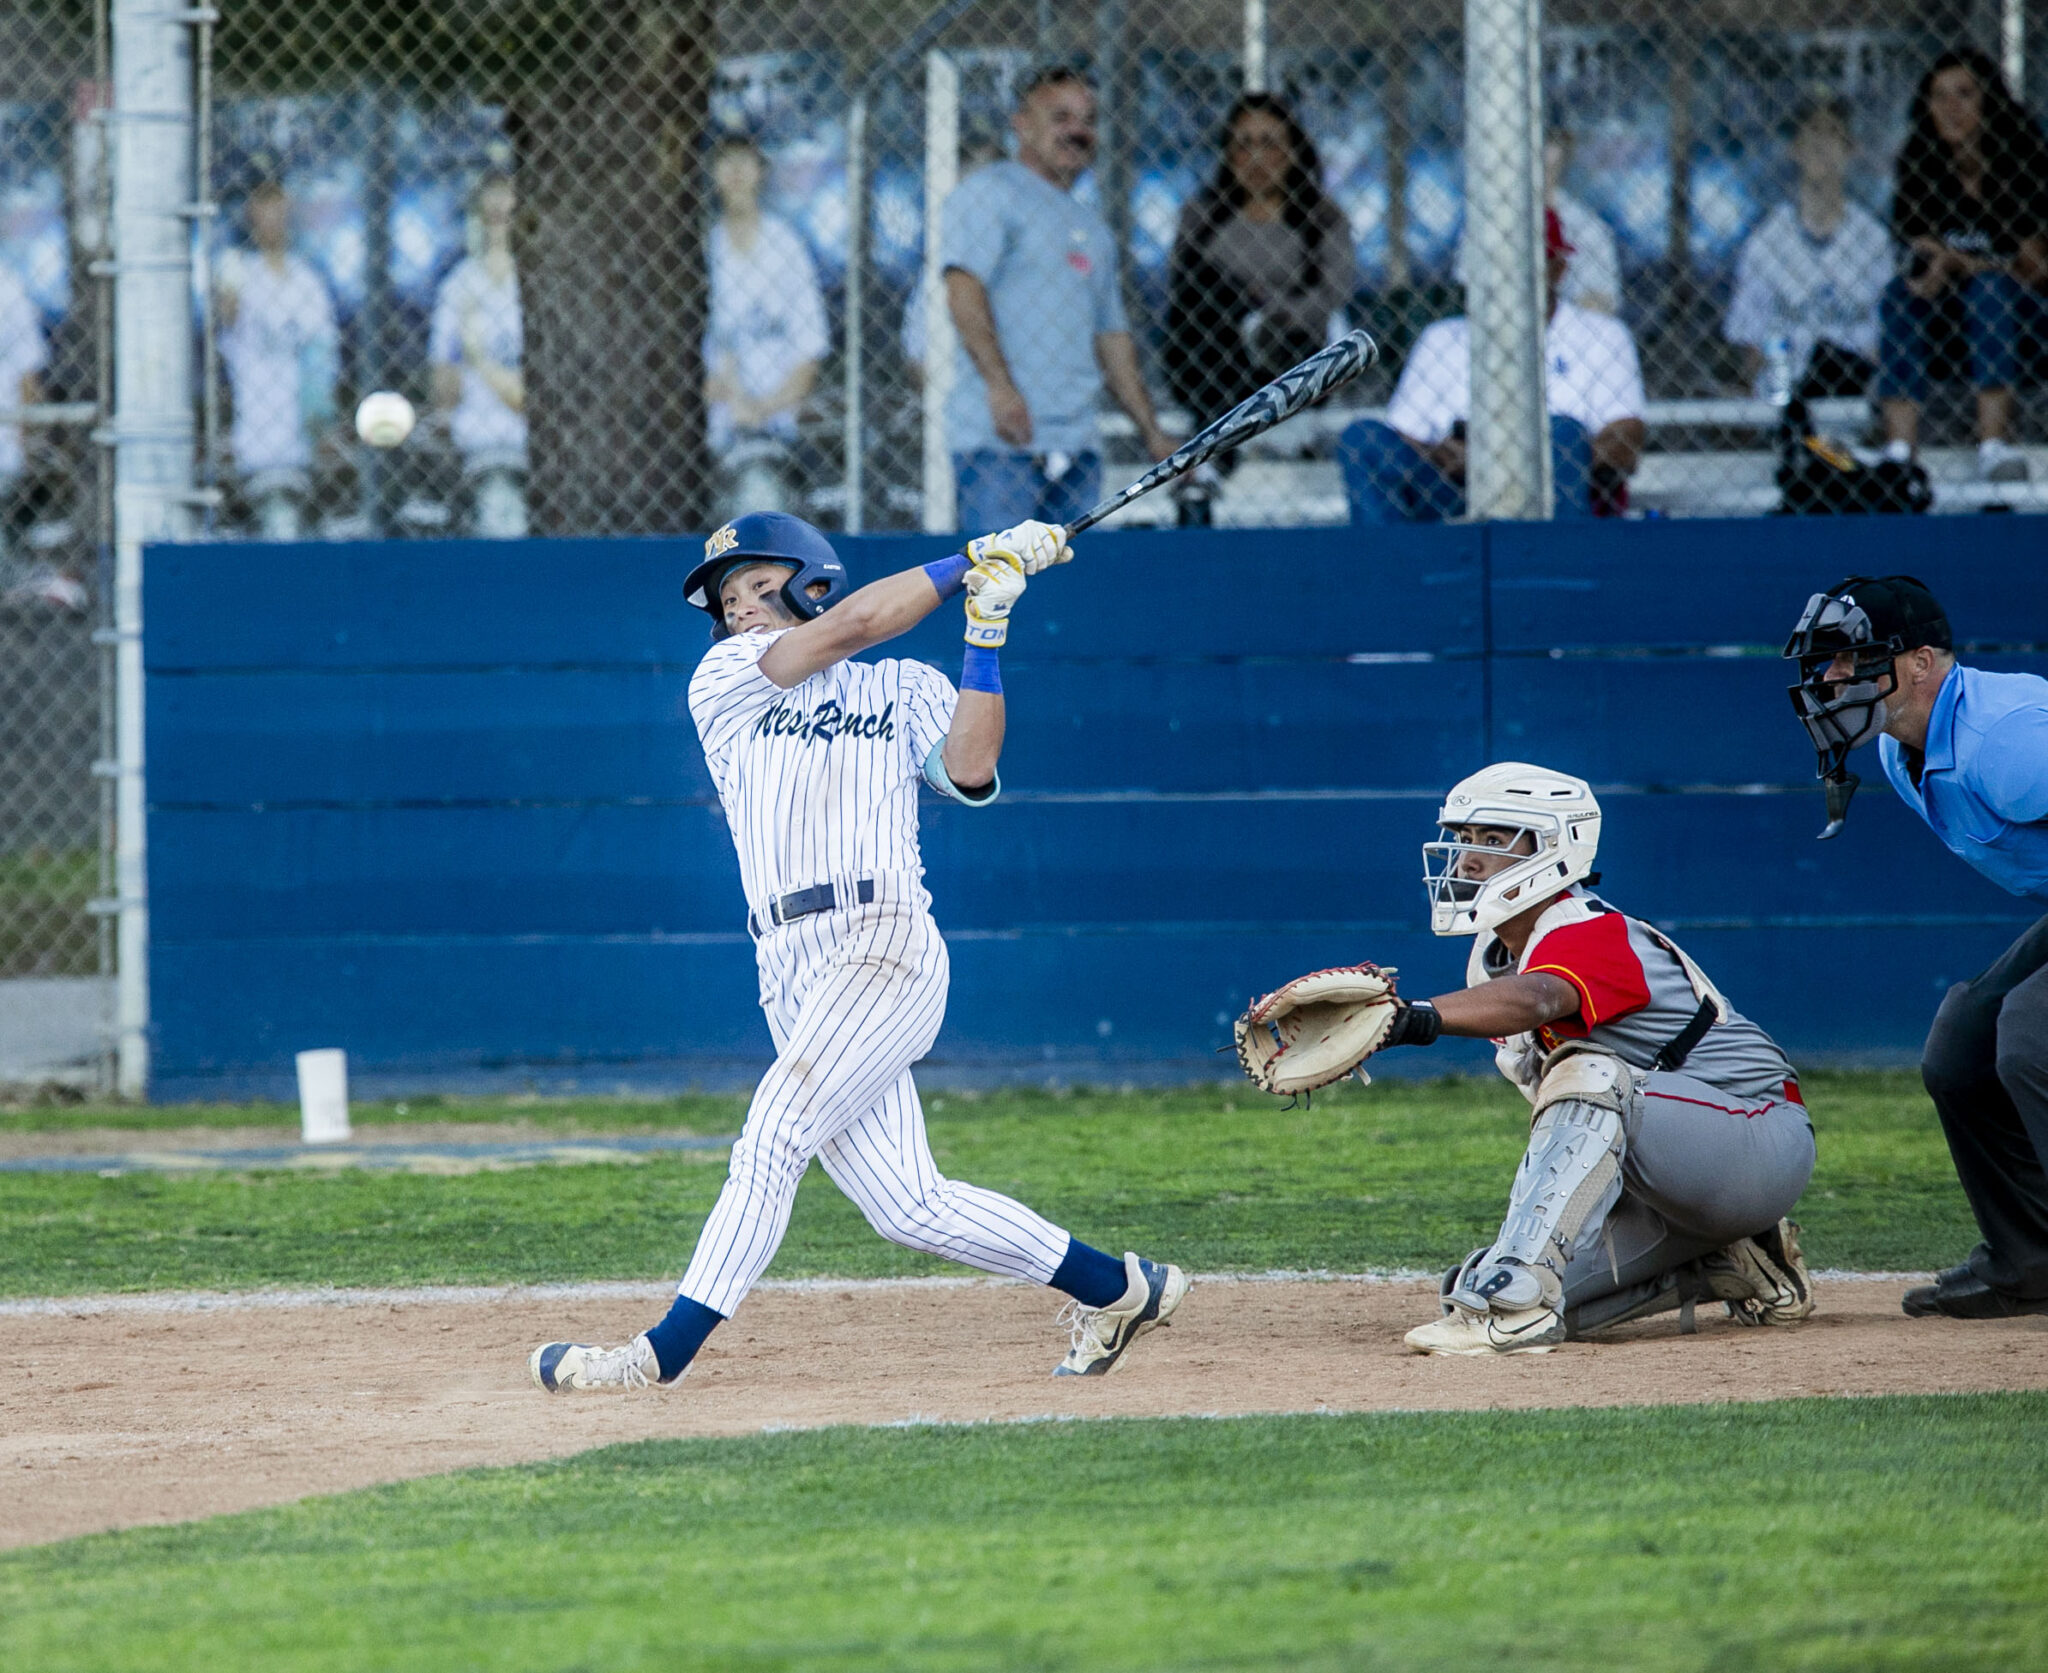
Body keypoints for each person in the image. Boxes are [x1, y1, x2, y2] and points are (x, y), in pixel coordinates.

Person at [529, 511, 1191, 1393]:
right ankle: (1121, 1288)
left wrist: (984, 632)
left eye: (761, 586)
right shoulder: (727, 677)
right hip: (790, 965)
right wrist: (970, 559)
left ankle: (658, 1355)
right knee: (907, 1204)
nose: (743, 609)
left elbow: (969, 769)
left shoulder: (903, 686)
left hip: (884, 944)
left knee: (772, 1136)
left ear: (813, 577)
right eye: (730, 598)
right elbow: (855, 626)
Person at [1246, 762, 1816, 1356]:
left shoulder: (1590, 928)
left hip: (1755, 1140)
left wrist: (1412, 1019)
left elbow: (1542, 998)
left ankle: (1520, 1307)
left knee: (1585, 1081)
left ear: (1555, 849)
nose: (1467, 859)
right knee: (1471, 1287)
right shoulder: (1494, 957)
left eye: (1492, 841)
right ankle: (1732, 1262)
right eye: (1465, 840)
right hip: (1668, 1176)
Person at [1785, 575, 2048, 1321]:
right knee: (1961, 1044)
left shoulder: (2005, 738)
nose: (1831, 679)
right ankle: (2029, 1260)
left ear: (1923, 662)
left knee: (2033, 1033)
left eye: (1849, 659)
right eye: (1825, 664)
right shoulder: (1906, 754)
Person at [940, 65, 1174, 532]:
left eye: (1087, 120)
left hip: (1079, 447)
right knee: (997, 591)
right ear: (1021, 124)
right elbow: (963, 289)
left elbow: (1112, 337)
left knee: (1068, 595)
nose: (1077, 131)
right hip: (1000, 446)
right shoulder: (990, 194)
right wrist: (1000, 387)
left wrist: (1151, 432)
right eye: (1060, 117)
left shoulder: (1094, 229)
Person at [1338, 210, 1646, 522]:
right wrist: (1449, 456)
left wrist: (1522, 463)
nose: (1508, 273)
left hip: (1559, 493)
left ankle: (1557, 561)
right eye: (1495, 262)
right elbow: (1403, 435)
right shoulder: (1443, 338)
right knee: (1361, 439)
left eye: (1526, 261)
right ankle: (1393, 568)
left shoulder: (1601, 335)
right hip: (1455, 489)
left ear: (1558, 269)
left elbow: (1625, 442)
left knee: (1563, 433)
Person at [1878, 49, 2048, 484]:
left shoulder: (2023, 164)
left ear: (1988, 101)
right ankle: (1900, 452)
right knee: (1899, 297)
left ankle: (1992, 445)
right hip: (1950, 325)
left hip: (2024, 327)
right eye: (1939, 97)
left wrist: (1964, 263)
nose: (1950, 108)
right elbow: (1918, 249)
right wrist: (1929, 272)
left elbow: (2035, 269)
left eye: (1964, 95)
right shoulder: (1920, 168)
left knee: (1988, 290)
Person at [1161, 93, 1355, 434]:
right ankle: (1220, 428)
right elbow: (1183, 287)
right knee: (1208, 292)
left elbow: (1333, 295)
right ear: (1227, 153)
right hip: (1215, 353)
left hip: (1289, 350)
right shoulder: (1202, 216)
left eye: (1269, 143)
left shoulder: (1321, 218)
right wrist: (1239, 300)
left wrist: (1266, 307)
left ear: (1293, 152)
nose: (1256, 157)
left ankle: (1224, 432)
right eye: (1243, 144)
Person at [1724, 94, 1893, 399]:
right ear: (1794, 149)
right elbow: (1748, 337)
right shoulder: (1767, 239)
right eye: (1811, 132)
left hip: (1852, 396)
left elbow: (1886, 337)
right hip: (1784, 396)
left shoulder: (1873, 239)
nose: (1821, 144)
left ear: (1851, 149)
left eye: (1832, 134)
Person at [704, 134, 829, 511]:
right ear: (713, 173)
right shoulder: (702, 250)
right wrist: (728, 394)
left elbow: (810, 351)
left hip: (778, 432)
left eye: (746, 162)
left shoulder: (786, 246)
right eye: (727, 162)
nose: (737, 172)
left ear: (761, 172)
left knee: (760, 498)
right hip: (711, 435)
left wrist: (763, 409)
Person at [217, 181, 338, 539]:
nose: (272, 217)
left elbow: (322, 356)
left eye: (278, 206)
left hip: (302, 433)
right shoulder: (238, 271)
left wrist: (321, 422)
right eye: (263, 206)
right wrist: (229, 257)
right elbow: (227, 317)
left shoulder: (308, 281)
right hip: (253, 433)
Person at [430, 173, 527, 537]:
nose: (499, 221)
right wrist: (459, 357)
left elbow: (523, 399)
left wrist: (478, 356)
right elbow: (444, 389)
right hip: (476, 441)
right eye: (491, 214)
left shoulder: (540, 281)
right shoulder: (459, 285)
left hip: (533, 440)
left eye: (507, 213)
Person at [1455, 128, 1623, 316]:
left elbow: (1600, 307)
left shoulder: (1589, 228)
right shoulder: (1487, 221)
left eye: (1548, 141)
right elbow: (1469, 294)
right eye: (1529, 138)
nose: (1537, 151)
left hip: (1568, 337)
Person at [0, 259, 48, 578]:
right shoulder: (9, 287)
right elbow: (30, 377)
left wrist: (28, 439)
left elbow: (28, 375)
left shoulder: (8, 288)